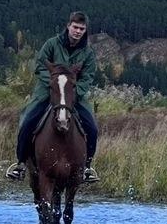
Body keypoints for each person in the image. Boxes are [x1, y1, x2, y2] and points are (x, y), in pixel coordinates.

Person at [6, 11, 100, 182]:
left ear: (85, 30)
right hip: (48, 91)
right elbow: (40, 65)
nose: (78, 31)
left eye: (82, 28)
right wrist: (53, 83)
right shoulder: (52, 44)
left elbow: (88, 77)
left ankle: (87, 167)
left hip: (73, 94)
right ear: (68, 26)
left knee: (92, 128)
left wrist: (75, 92)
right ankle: (20, 164)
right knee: (27, 120)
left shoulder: (87, 53)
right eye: (75, 27)